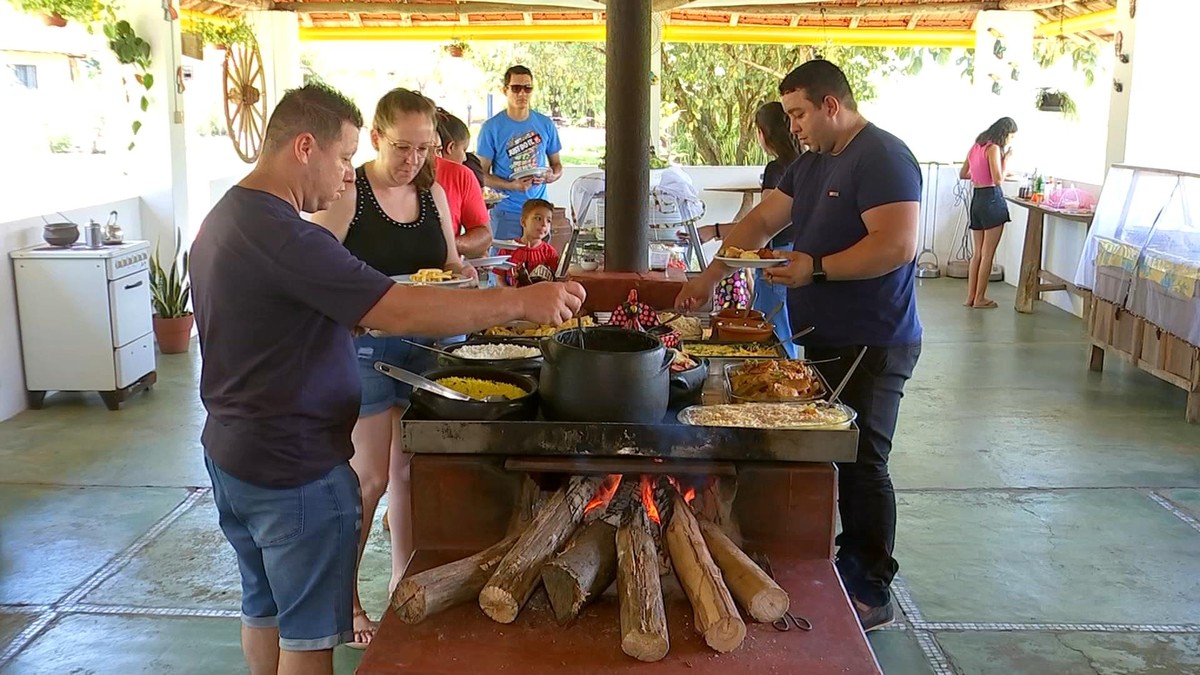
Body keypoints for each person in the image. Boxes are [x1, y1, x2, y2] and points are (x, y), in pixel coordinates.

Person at [191, 82, 584, 675]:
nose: (346, 174)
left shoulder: (228, 216)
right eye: (344, 156)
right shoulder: (290, 237)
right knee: (308, 639)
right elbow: (396, 308)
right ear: (305, 147)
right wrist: (522, 304)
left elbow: (268, 320)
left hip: (234, 451)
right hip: (292, 466)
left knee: (266, 610)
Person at [675, 60, 922, 633]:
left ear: (831, 105)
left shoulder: (883, 156)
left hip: (873, 336)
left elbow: (897, 245)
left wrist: (818, 269)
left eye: (799, 114)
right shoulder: (811, 164)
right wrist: (708, 279)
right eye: (789, 117)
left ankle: (870, 588)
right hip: (825, 337)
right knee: (834, 453)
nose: (795, 128)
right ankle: (839, 563)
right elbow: (761, 220)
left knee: (862, 460)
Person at [306, 87, 476, 648]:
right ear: (376, 139)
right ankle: (345, 598)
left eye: (425, 149)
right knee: (370, 478)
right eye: (402, 148)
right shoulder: (349, 192)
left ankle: (403, 586)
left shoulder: (434, 196)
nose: (413, 161)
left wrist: (462, 277)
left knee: (408, 474)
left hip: (428, 345)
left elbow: (450, 263)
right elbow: (318, 270)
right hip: (368, 351)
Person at [476, 65, 564, 243]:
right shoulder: (491, 128)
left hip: (539, 211)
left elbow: (557, 165)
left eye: (527, 88)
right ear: (505, 90)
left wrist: (551, 176)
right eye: (516, 88)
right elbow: (480, 175)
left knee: (539, 268)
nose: (522, 94)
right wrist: (511, 186)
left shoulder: (545, 124)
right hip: (506, 210)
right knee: (504, 267)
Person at [751, 101, 803, 355]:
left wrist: (714, 231)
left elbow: (766, 222)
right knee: (788, 332)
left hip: (776, 258)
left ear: (763, 133)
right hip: (800, 254)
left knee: (774, 336)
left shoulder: (776, 169)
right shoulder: (807, 164)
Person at [960, 116, 1017, 309]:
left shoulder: (976, 146)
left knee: (977, 253)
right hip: (992, 198)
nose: (1011, 140)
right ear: (1004, 133)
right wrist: (1006, 160)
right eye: (1011, 136)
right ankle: (980, 298)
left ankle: (970, 297)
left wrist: (980, 174)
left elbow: (964, 174)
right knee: (988, 254)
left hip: (977, 198)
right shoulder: (993, 148)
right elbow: (998, 178)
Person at [435, 107, 493, 259]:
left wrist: (449, 245)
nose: (465, 158)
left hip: (442, 275)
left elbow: (484, 236)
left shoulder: (462, 175)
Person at [499, 198, 560, 286]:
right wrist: (510, 294)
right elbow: (500, 279)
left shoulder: (550, 253)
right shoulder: (507, 249)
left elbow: (554, 282)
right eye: (538, 218)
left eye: (548, 221)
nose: (544, 224)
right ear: (523, 222)